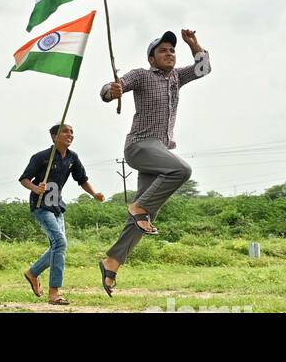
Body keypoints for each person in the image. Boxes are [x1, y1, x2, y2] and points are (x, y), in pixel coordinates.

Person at [96, 29, 211, 295]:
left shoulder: (177, 78)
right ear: (152, 58)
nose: (169, 54)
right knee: (182, 169)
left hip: (159, 151)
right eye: (163, 51)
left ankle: (112, 261)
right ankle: (138, 207)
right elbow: (109, 90)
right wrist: (110, 91)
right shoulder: (142, 75)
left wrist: (193, 44)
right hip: (140, 145)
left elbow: (204, 68)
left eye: (172, 51)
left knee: (145, 215)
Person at [19, 124, 105, 306]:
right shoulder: (41, 157)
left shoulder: (73, 157)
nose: (70, 135)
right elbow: (24, 179)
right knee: (60, 242)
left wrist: (94, 194)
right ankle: (54, 293)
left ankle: (32, 273)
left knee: (58, 246)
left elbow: (82, 179)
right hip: (41, 205)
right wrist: (36, 188)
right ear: (53, 136)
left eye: (72, 132)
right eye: (65, 131)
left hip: (57, 206)